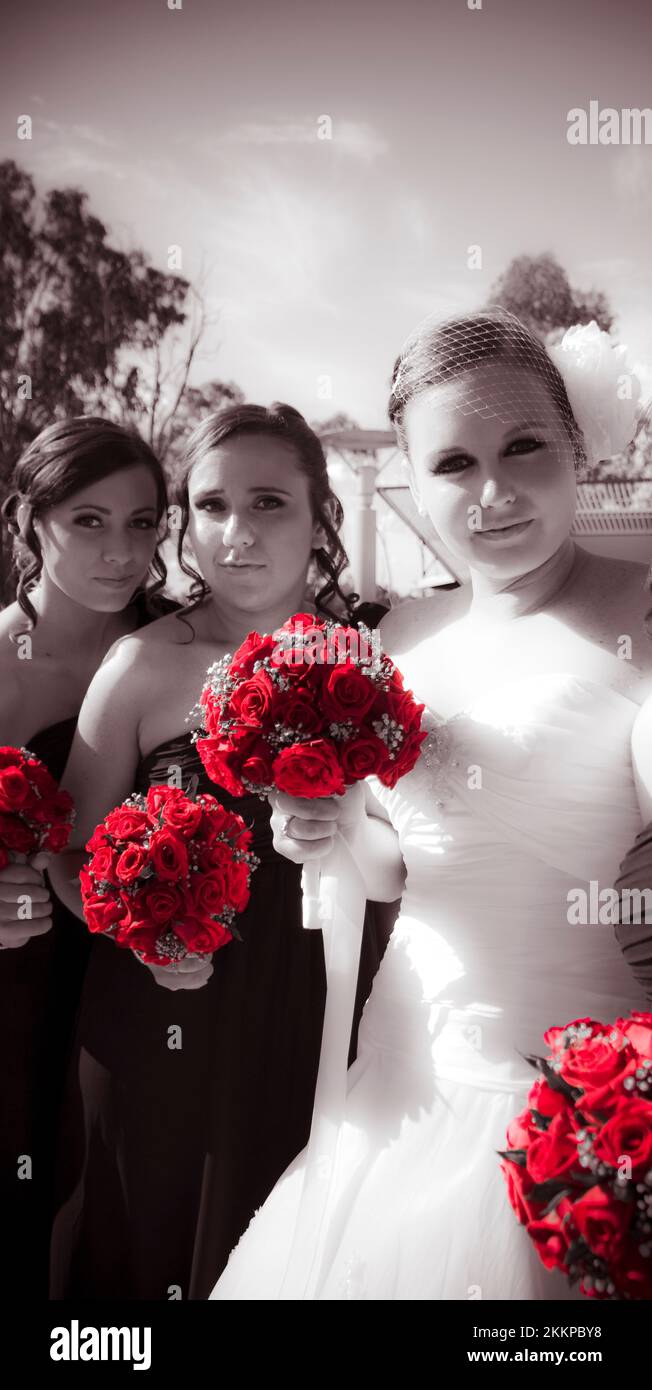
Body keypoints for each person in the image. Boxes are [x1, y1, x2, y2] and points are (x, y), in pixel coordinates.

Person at [210, 311, 652, 1301]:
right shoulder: (400, 631)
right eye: (453, 462)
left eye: (523, 447)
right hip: (399, 1081)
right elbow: (396, 865)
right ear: (411, 475)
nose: (491, 494)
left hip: (573, 1106)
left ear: (577, 447)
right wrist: (325, 831)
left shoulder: (645, 613)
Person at [48, 402, 396, 1300]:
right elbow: (69, 854)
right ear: (186, 526)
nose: (237, 533)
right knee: (147, 1257)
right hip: (161, 1022)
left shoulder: (375, 656)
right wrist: (147, 942)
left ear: (321, 515)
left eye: (269, 502)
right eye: (211, 506)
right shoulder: (142, 665)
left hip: (323, 1017)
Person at [0, 416, 169, 1298]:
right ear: (30, 523)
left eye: (142, 523)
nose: (120, 552)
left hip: (150, 984)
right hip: (17, 990)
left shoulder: (180, 650)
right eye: (88, 522)